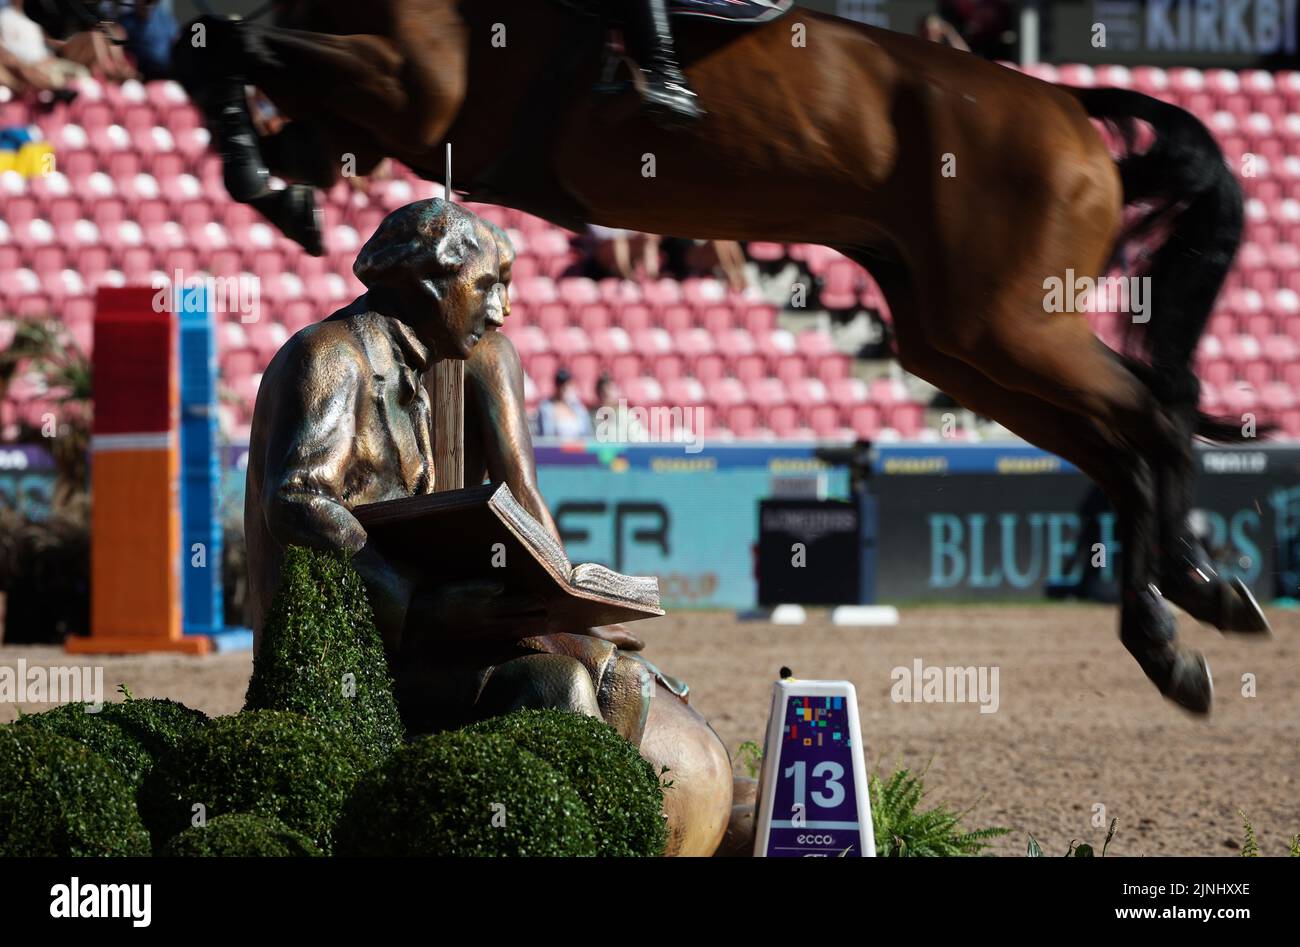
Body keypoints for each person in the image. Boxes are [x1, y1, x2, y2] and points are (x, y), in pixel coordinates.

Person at [536, 367, 594, 440]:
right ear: (557, 386)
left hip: (578, 450)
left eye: (568, 385)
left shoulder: (579, 408)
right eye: (562, 385)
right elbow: (547, 437)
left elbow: (587, 434)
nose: (565, 389)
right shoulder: (546, 408)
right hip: (555, 450)